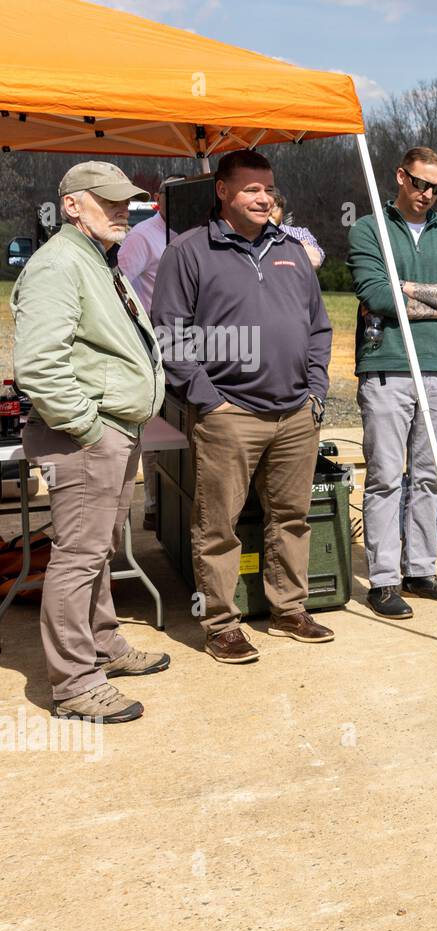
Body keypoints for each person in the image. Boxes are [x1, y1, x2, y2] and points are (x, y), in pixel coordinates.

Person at [152, 148, 335, 664]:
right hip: (229, 414)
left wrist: (316, 390)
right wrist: (208, 399)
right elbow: (169, 333)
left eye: (269, 188)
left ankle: (289, 609)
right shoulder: (188, 252)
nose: (264, 197)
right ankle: (221, 623)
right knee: (219, 525)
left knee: (292, 517)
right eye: (251, 188)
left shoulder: (292, 251)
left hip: (296, 412)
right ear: (223, 191)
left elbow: (318, 325)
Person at [11, 161, 169, 723]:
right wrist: (88, 426)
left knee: (96, 548)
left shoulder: (97, 259)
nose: (123, 208)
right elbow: (38, 366)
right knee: (77, 558)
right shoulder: (58, 264)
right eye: (109, 200)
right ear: (72, 205)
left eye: (127, 200)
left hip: (110, 431)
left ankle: (104, 645)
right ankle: (76, 684)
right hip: (84, 438)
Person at [346, 146, 437, 619]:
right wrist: (431, 297)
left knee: (430, 475)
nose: (427, 194)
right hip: (387, 366)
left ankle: (421, 569)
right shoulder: (368, 228)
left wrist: (411, 289)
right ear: (400, 177)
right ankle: (383, 580)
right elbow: (377, 296)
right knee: (383, 476)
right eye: (420, 183)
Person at [118, 172, 183, 532]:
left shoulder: (199, 235)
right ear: (159, 199)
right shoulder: (142, 237)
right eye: (170, 196)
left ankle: (181, 503)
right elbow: (122, 287)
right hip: (153, 346)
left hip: (196, 344)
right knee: (156, 428)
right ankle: (155, 505)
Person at [268, 189, 324, 270]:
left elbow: (316, 260)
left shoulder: (300, 233)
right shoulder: (253, 234)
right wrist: (298, 248)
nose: (270, 213)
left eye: (273, 208)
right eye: (266, 208)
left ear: (282, 210)